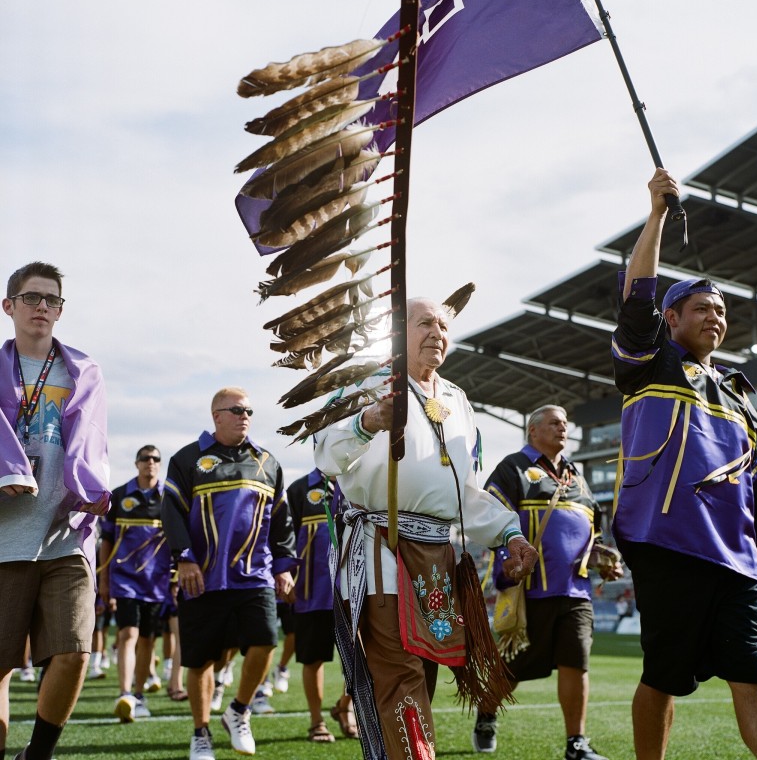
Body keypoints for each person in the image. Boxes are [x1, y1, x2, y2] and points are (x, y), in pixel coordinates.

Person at [314, 296, 539, 760]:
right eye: (424, 323)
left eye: (443, 324)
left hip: (439, 557)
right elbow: (324, 453)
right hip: (381, 547)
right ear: (398, 332)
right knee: (401, 676)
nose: (437, 331)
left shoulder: (457, 400)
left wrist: (507, 533)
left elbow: (465, 493)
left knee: (424, 671)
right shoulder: (368, 384)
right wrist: (367, 421)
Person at [611, 168, 757, 759]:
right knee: (664, 676)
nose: (715, 316)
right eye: (701, 307)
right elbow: (638, 295)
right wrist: (655, 213)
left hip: (739, 557)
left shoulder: (740, 395)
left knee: (752, 677)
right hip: (667, 542)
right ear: (672, 319)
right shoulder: (650, 362)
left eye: (721, 310)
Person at [0, 261, 110, 760]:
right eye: (31, 298)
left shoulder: (83, 371)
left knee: (73, 650)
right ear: (10, 307)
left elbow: (94, 443)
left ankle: (37, 755)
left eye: (52, 300)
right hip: (5, 538)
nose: (42, 306)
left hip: (65, 533)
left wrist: (91, 487)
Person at [471, 405, 623, 759]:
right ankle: (487, 711)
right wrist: (508, 564)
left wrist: (600, 557)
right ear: (533, 431)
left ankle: (576, 744)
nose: (563, 429)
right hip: (530, 591)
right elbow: (491, 516)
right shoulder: (512, 468)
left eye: (565, 424)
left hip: (576, 590)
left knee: (577, 661)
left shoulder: (577, 477)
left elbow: (593, 531)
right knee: (513, 668)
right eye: (554, 423)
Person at [161, 387, 296, 760]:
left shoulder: (267, 461)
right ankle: (201, 733)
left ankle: (238, 710)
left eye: (249, 410)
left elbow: (282, 522)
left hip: (255, 575)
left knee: (266, 641)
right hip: (202, 576)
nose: (245, 416)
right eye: (236, 410)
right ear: (216, 415)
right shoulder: (188, 459)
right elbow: (171, 511)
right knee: (201, 660)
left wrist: (284, 567)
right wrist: (184, 559)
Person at [99, 445, 171, 722]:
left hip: (156, 580)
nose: (150, 463)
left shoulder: (168, 497)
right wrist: (104, 578)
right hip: (125, 579)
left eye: (155, 459)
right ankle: (125, 694)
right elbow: (106, 540)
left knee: (147, 640)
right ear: (136, 463)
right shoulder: (119, 495)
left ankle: (139, 694)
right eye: (145, 458)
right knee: (128, 634)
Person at [286, 468, 357, 743]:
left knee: (361, 658)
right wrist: (286, 575)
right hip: (311, 591)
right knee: (313, 658)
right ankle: (317, 722)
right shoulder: (299, 489)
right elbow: (284, 537)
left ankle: (345, 706)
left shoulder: (362, 483)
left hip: (356, 590)